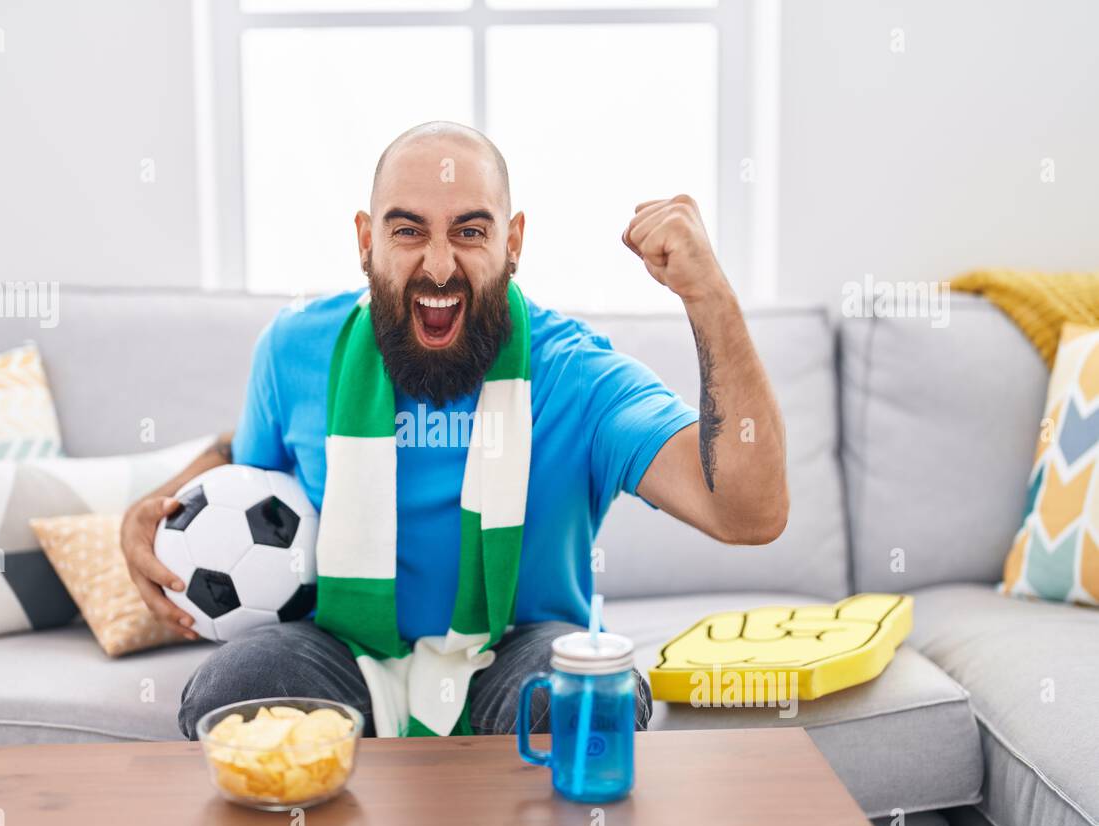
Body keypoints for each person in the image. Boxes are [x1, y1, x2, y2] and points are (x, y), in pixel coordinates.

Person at [120, 121, 789, 740]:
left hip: (517, 649)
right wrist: (157, 506)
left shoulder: (576, 374)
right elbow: (249, 469)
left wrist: (711, 300)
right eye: (408, 231)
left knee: (583, 697)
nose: (439, 267)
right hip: (338, 654)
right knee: (238, 688)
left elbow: (748, 514)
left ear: (514, 241)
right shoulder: (294, 350)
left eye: (470, 232)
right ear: (365, 240)